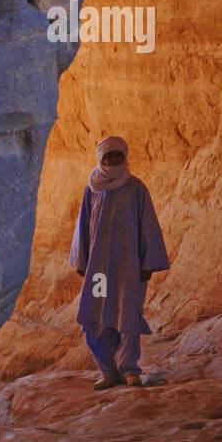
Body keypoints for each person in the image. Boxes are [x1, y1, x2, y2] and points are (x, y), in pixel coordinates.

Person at [69, 135, 170, 390]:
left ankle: (129, 370)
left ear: (125, 157)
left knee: (127, 317)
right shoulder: (92, 189)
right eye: (108, 156)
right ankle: (108, 371)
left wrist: (148, 262)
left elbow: (147, 225)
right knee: (95, 318)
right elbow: (83, 226)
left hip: (128, 267)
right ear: (100, 159)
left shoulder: (136, 188)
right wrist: (82, 260)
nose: (114, 160)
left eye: (118, 155)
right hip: (98, 268)